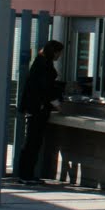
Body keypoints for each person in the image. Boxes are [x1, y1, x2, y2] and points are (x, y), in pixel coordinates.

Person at [14, 40, 64, 185]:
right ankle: (26, 174)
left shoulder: (40, 62)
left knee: (31, 141)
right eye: (59, 53)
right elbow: (46, 88)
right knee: (33, 142)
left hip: (33, 107)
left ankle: (25, 174)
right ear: (54, 52)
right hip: (38, 108)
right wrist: (56, 103)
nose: (59, 56)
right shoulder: (44, 65)